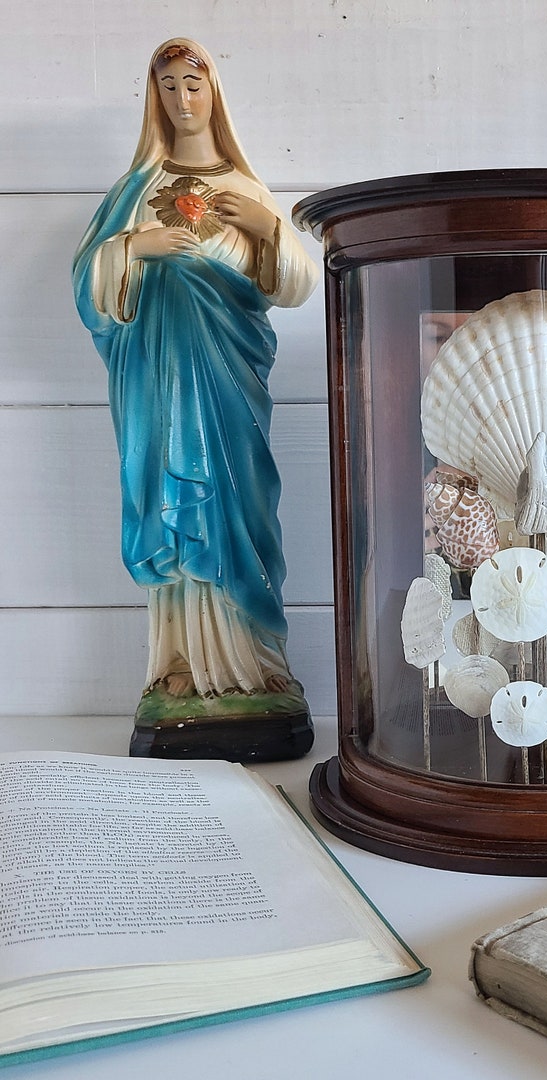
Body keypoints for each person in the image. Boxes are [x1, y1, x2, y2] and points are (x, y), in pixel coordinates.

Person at [73, 39, 318, 710]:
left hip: (229, 380)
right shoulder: (135, 193)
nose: (182, 100)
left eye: (193, 85)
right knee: (175, 508)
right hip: (161, 382)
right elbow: (86, 284)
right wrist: (132, 247)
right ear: (155, 98)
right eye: (170, 87)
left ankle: (259, 660)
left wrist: (270, 228)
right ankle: (177, 661)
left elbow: (295, 285)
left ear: (214, 95)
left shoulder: (246, 187)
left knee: (240, 502)